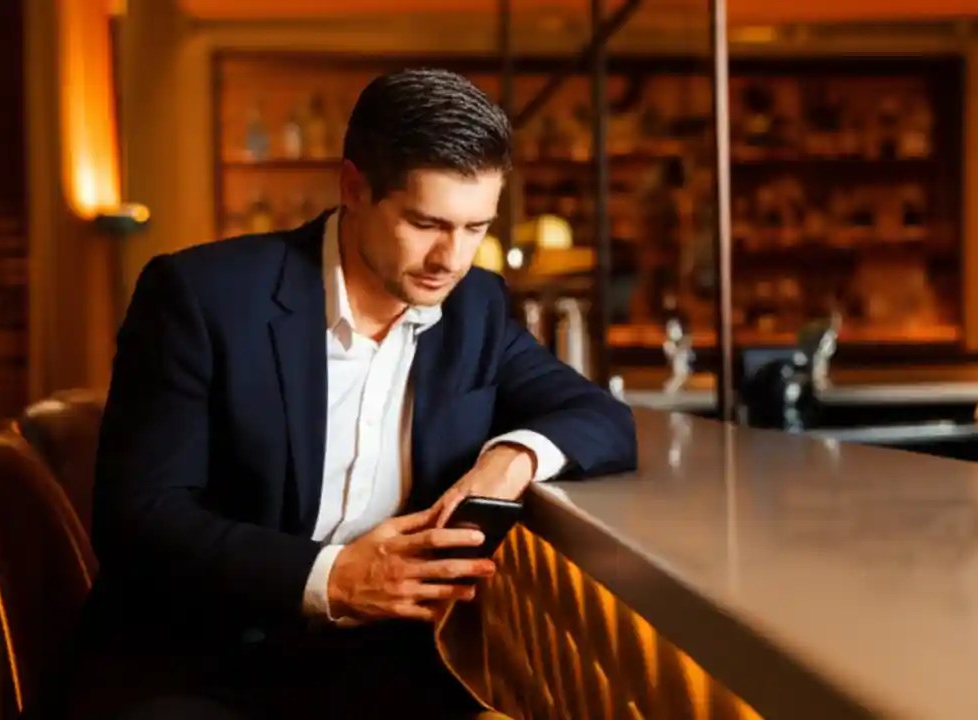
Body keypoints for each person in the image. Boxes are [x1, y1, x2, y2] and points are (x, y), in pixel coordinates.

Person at [61, 69, 637, 719]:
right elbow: (140, 520)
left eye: (476, 227)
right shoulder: (202, 297)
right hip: (195, 657)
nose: (451, 257)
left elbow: (601, 417)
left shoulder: (475, 305)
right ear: (354, 188)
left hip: (381, 664)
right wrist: (330, 578)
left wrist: (510, 462)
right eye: (426, 223)